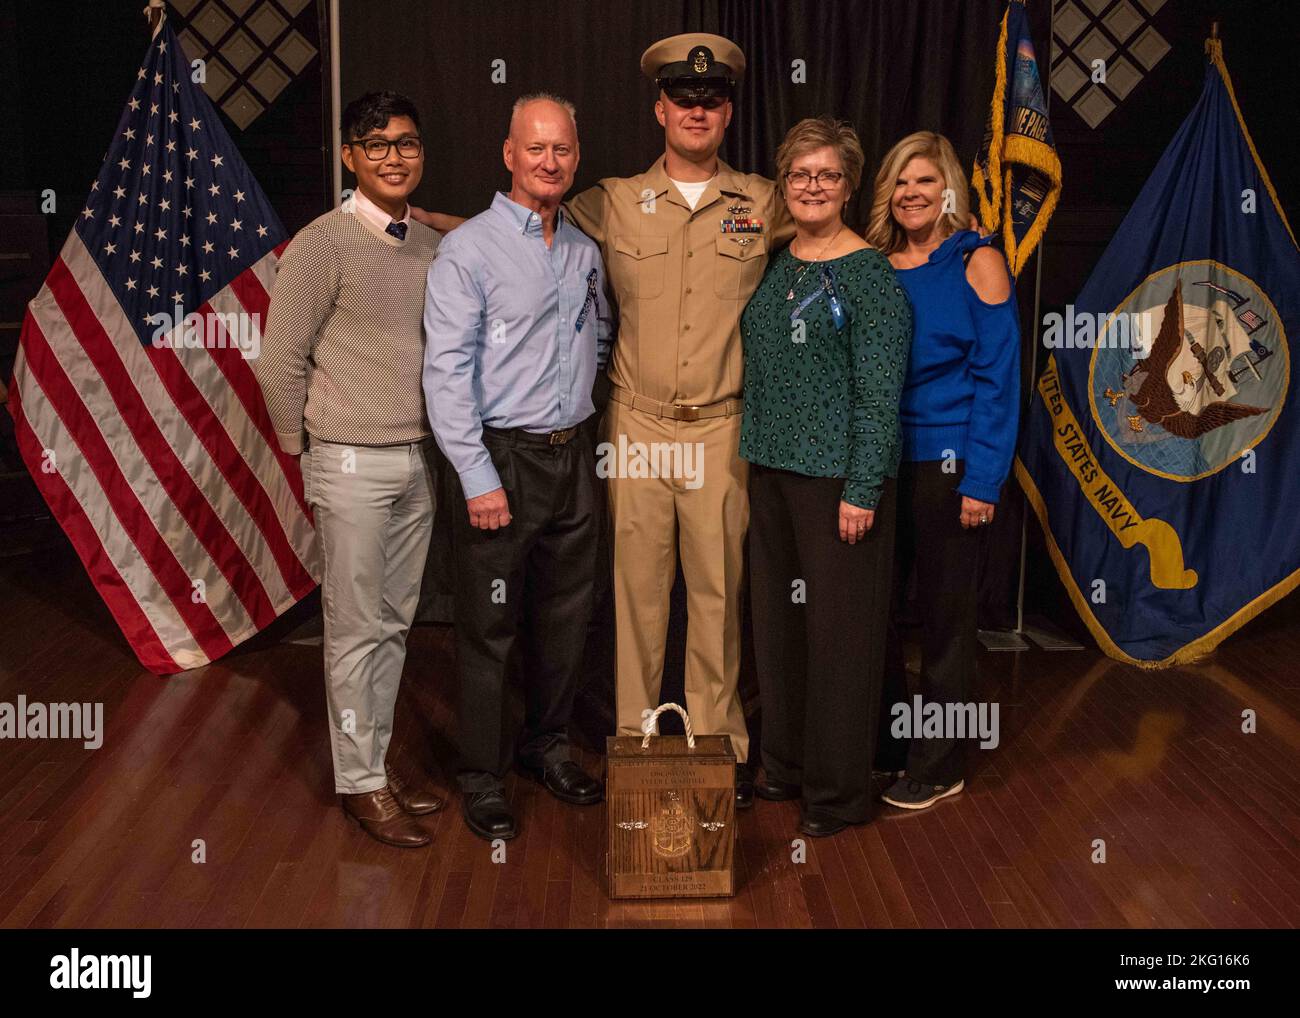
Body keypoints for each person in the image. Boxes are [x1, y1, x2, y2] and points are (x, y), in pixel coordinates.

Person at [563, 34, 796, 807]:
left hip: (721, 427)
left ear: (727, 113)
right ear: (660, 109)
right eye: (684, 100)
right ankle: (634, 746)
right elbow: (521, 221)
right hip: (636, 425)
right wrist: (420, 220)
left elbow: (838, 233)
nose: (698, 111)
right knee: (634, 590)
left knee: (718, 594)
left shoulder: (765, 202)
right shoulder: (612, 199)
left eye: (712, 100)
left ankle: (717, 756)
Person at [256, 91, 444, 848]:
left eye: (406, 142)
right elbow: (277, 363)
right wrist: (304, 453)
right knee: (354, 627)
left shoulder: (427, 244)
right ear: (349, 157)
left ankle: (375, 764)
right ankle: (361, 784)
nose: (394, 155)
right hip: (350, 461)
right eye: (377, 144)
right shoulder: (321, 243)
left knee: (395, 624)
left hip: (419, 459)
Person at [423, 94, 609, 842]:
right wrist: (478, 477)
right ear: (509, 154)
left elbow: (598, 338)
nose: (550, 162)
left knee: (566, 620)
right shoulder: (467, 250)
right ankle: (482, 773)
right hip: (501, 458)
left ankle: (547, 749)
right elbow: (445, 372)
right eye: (536, 149)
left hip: (574, 455)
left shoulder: (583, 251)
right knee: (490, 627)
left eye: (562, 149)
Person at [741, 117, 912, 836]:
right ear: (785, 184)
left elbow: (880, 391)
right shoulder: (776, 261)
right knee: (777, 632)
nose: (813, 186)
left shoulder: (870, 274)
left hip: (839, 483)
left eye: (828, 175)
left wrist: (863, 488)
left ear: (847, 186)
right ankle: (783, 765)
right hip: (769, 472)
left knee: (840, 641)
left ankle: (837, 795)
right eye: (801, 175)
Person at [865, 131, 1020, 810]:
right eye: (900, 182)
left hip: (950, 464)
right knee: (875, 613)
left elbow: (1000, 375)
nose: (911, 194)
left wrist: (984, 479)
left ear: (949, 188)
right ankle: (893, 746)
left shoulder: (976, 259)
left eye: (925, 181)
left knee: (946, 621)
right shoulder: (872, 263)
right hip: (880, 463)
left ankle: (942, 762)